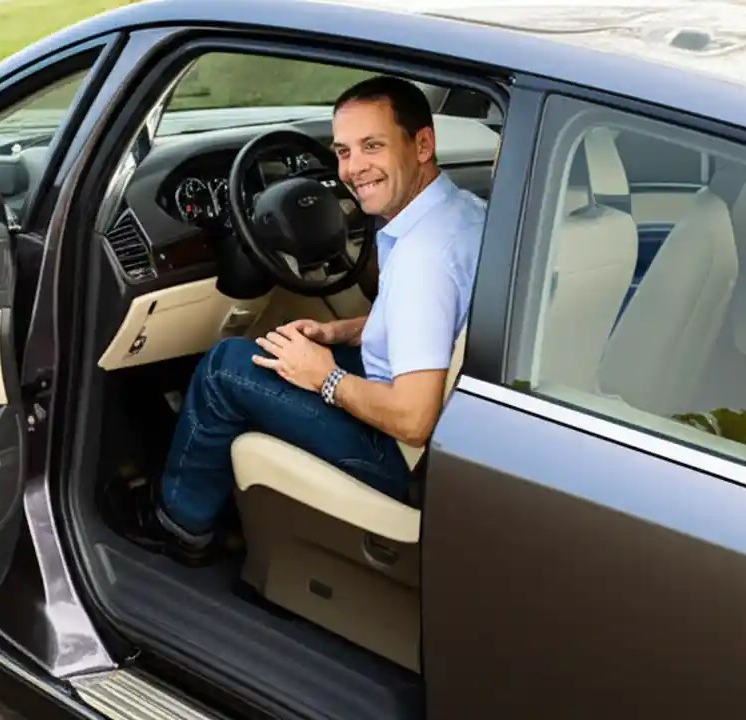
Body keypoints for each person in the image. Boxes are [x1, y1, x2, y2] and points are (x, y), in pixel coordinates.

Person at [109, 75, 487, 565]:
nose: (353, 170)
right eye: (344, 152)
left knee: (225, 368)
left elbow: (413, 420)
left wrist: (324, 377)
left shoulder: (422, 260)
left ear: (423, 144)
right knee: (269, 359)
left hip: (398, 455)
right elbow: (436, 321)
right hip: (453, 424)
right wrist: (336, 333)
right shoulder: (462, 214)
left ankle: (178, 526)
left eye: (372, 146)